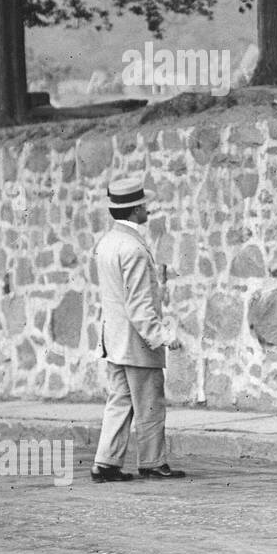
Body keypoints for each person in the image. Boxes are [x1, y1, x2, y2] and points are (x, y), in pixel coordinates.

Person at [91, 175, 184, 482]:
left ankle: (106, 463)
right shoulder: (133, 248)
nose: (146, 207)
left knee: (119, 401)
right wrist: (162, 337)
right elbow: (140, 305)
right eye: (143, 204)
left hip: (115, 340)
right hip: (137, 343)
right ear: (134, 211)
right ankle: (153, 462)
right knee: (149, 403)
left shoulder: (107, 243)